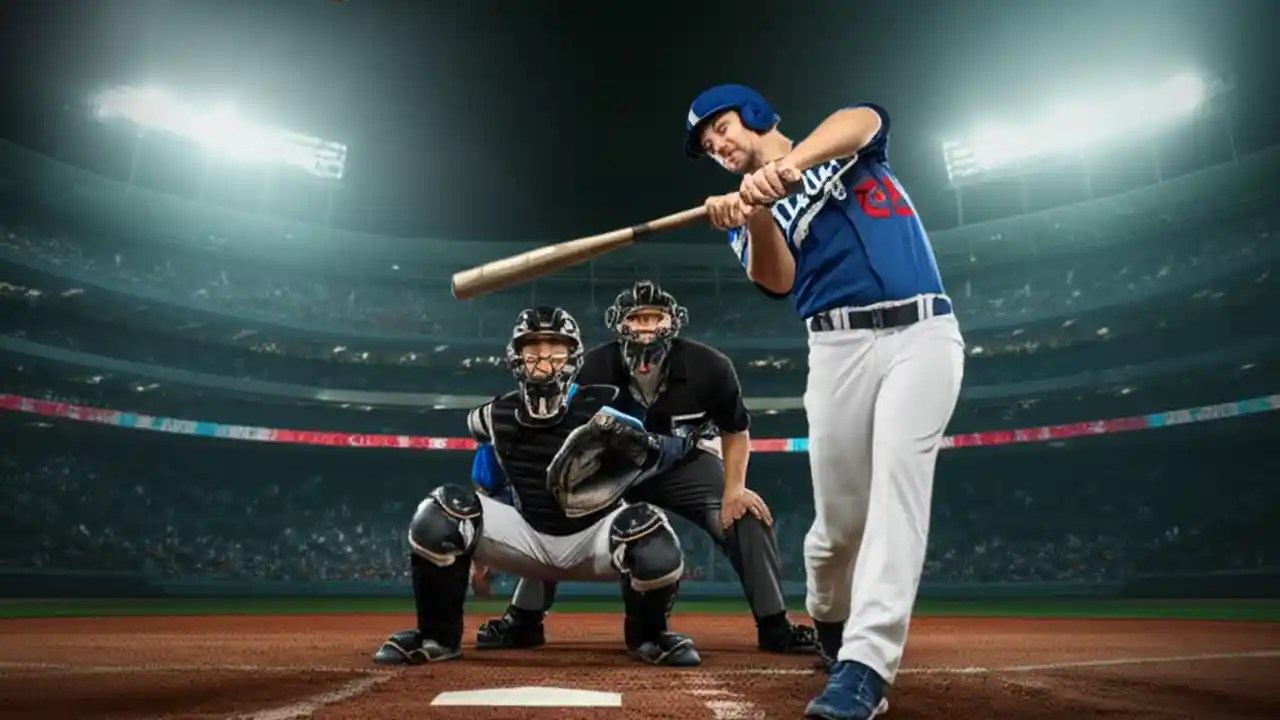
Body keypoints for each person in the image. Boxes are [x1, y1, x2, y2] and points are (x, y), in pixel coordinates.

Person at [684, 85, 965, 719]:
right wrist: (754, 208)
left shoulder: (836, 147)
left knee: (899, 486)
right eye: (707, 145)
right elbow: (777, 279)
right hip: (836, 349)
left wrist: (790, 165)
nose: (718, 145)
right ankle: (832, 623)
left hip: (923, 335)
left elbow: (865, 117)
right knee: (838, 529)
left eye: (722, 128)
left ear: (754, 114)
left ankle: (864, 666)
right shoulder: (744, 210)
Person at [474, 280, 818, 655]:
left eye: (654, 317)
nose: (646, 326)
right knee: (557, 505)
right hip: (615, 466)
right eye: (637, 318)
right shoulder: (589, 368)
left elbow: (736, 430)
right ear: (620, 324)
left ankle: (774, 625)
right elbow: (544, 438)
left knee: (747, 516)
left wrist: (734, 490)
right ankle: (524, 618)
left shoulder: (711, 366)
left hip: (687, 464)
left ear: (673, 322)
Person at [372, 306, 701, 667]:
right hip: (527, 535)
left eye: (556, 351)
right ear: (517, 357)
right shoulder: (492, 417)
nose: (544, 361)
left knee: (652, 536)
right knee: (440, 513)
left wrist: (651, 445)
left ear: (573, 357)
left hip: (592, 539)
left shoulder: (609, 402)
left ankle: (649, 638)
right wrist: (473, 552)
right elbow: (487, 486)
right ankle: (436, 637)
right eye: (534, 351)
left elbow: (669, 442)